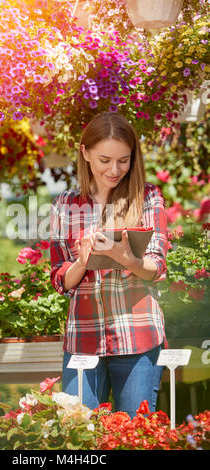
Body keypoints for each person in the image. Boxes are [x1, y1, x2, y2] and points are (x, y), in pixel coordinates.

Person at [49, 112, 168, 418]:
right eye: (105, 160)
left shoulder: (148, 197)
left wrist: (127, 259)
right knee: (79, 432)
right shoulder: (65, 204)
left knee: (133, 433)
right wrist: (82, 263)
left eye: (123, 160)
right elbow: (60, 278)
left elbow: (156, 267)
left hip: (137, 334)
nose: (115, 169)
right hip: (82, 338)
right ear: (85, 152)